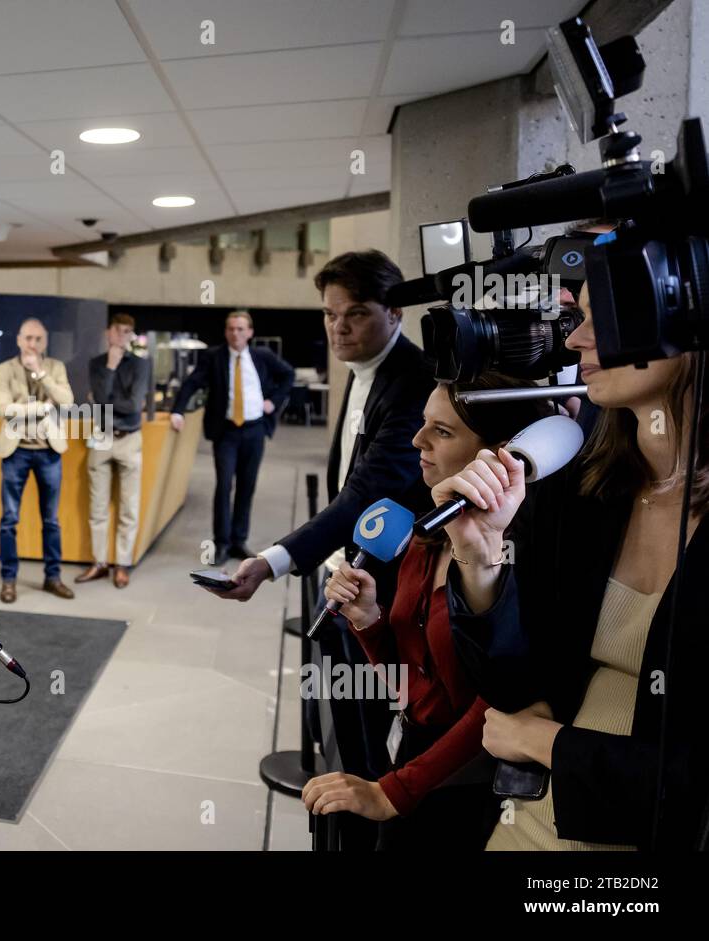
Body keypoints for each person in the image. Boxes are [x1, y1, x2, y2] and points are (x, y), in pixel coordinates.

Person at [442, 282, 709, 850]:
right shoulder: (581, 491)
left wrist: (551, 745)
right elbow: (511, 684)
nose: (577, 338)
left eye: (605, 314)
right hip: (537, 822)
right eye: (578, 316)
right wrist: (481, 555)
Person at [211, 251, 432, 835]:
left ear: (395, 311)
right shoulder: (365, 372)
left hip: (378, 601)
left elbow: (364, 496)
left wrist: (271, 561)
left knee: (369, 753)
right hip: (338, 582)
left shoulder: (412, 380)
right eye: (331, 314)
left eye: (354, 314)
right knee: (340, 731)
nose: (339, 327)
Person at [302, 373, 555, 849]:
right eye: (423, 424)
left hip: (470, 785)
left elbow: (501, 703)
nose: (418, 440)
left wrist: (396, 792)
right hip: (411, 755)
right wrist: (369, 620)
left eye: (442, 431)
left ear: (499, 456)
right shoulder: (424, 530)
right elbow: (413, 682)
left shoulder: (519, 557)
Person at [169, 310, 294, 560]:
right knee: (224, 486)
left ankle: (239, 541)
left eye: (240, 329)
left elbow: (288, 375)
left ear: (249, 332)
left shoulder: (262, 356)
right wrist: (178, 411)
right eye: (231, 328)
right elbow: (192, 383)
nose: (235, 333)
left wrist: (274, 402)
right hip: (225, 432)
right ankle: (222, 543)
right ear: (226, 331)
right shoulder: (213, 357)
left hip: (254, 430)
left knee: (247, 487)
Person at [0, 317, 75, 603]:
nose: (32, 344)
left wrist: (40, 373)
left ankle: (53, 578)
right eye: (27, 338)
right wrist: (43, 407)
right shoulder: (5, 369)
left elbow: (66, 402)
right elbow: (5, 410)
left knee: (51, 520)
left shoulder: (55, 368)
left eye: (38, 339)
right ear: (18, 339)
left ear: (45, 341)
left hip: (49, 452)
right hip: (15, 452)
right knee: (9, 520)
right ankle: (8, 581)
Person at [77, 313, 151, 589]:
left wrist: (103, 400)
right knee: (98, 507)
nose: (124, 336)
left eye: (129, 332)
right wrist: (110, 367)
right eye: (119, 331)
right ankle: (99, 563)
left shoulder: (141, 365)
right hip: (102, 437)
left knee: (128, 508)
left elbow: (132, 406)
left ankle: (122, 564)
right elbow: (99, 401)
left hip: (130, 438)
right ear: (109, 332)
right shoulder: (97, 364)